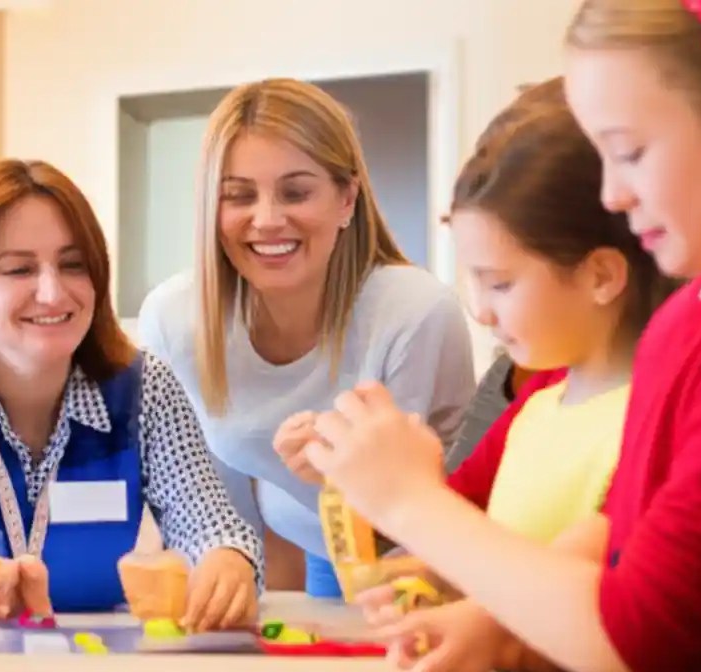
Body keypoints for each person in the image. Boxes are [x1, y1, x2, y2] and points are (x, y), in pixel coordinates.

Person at [301, 2, 701, 672]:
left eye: (632, 150)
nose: (614, 193)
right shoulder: (682, 326)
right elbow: (613, 552)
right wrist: (498, 630)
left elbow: (634, 632)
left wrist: (407, 497)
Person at [0, 158, 263, 629]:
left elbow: (211, 525)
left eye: (73, 265)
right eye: (19, 270)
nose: (53, 294)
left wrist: (229, 559)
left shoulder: (145, 388)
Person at [138, 78, 475, 597]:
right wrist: (232, 587)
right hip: (303, 546)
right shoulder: (175, 319)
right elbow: (210, 504)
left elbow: (424, 521)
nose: (268, 219)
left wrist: (344, 474)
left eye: (296, 192)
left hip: (411, 563)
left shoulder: (414, 313)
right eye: (238, 195)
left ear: (347, 200)